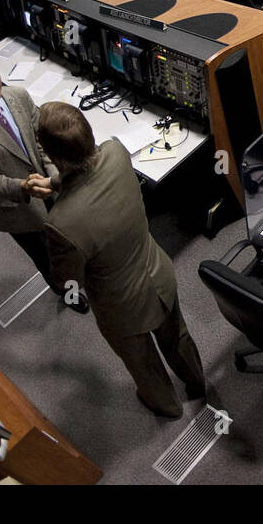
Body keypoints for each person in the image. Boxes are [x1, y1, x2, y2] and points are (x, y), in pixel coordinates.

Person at [36, 101, 206, 418]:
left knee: (142, 363)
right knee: (178, 337)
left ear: (54, 157)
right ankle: (197, 382)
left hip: (121, 310)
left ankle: (167, 406)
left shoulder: (60, 224)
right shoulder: (116, 151)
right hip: (158, 275)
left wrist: (56, 188)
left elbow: (67, 282)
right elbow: (90, 168)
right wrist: (55, 183)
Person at [0, 50, 88, 313]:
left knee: (70, 238)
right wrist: (23, 187)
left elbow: (42, 140)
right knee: (47, 259)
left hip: (49, 187)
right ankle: (68, 295)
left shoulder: (19, 96)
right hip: (20, 208)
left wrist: (52, 177)